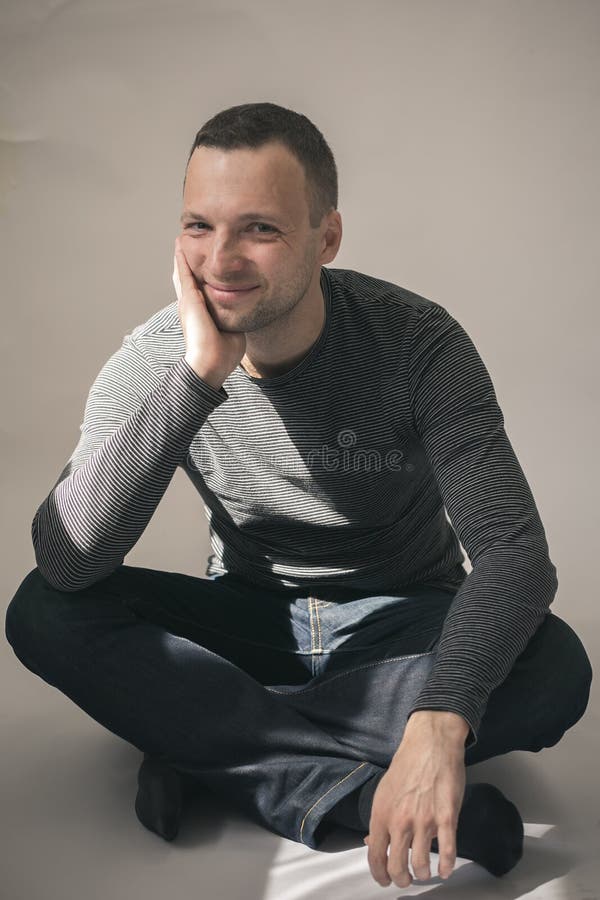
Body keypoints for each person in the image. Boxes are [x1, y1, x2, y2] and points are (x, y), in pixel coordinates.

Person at [5, 101, 592, 890]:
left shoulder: (419, 344)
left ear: (328, 237)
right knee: (43, 610)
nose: (222, 259)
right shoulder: (155, 361)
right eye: (198, 226)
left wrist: (439, 719)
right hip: (251, 619)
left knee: (554, 667)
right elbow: (69, 563)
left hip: (404, 621)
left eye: (260, 229)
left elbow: (515, 555)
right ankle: (346, 795)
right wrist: (198, 378)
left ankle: (209, 743)